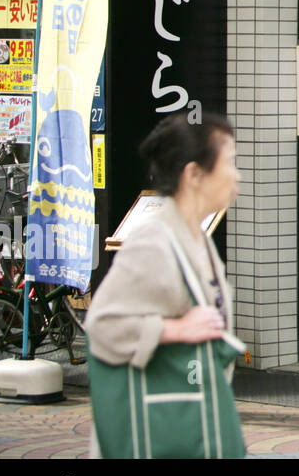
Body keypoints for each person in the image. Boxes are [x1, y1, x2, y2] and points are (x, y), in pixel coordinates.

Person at [85, 114, 245, 458]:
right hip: (158, 434)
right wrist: (174, 330)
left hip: (188, 429)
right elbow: (101, 326)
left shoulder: (194, 238)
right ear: (194, 175)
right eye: (230, 162)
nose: (237, 174)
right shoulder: (154, 242)